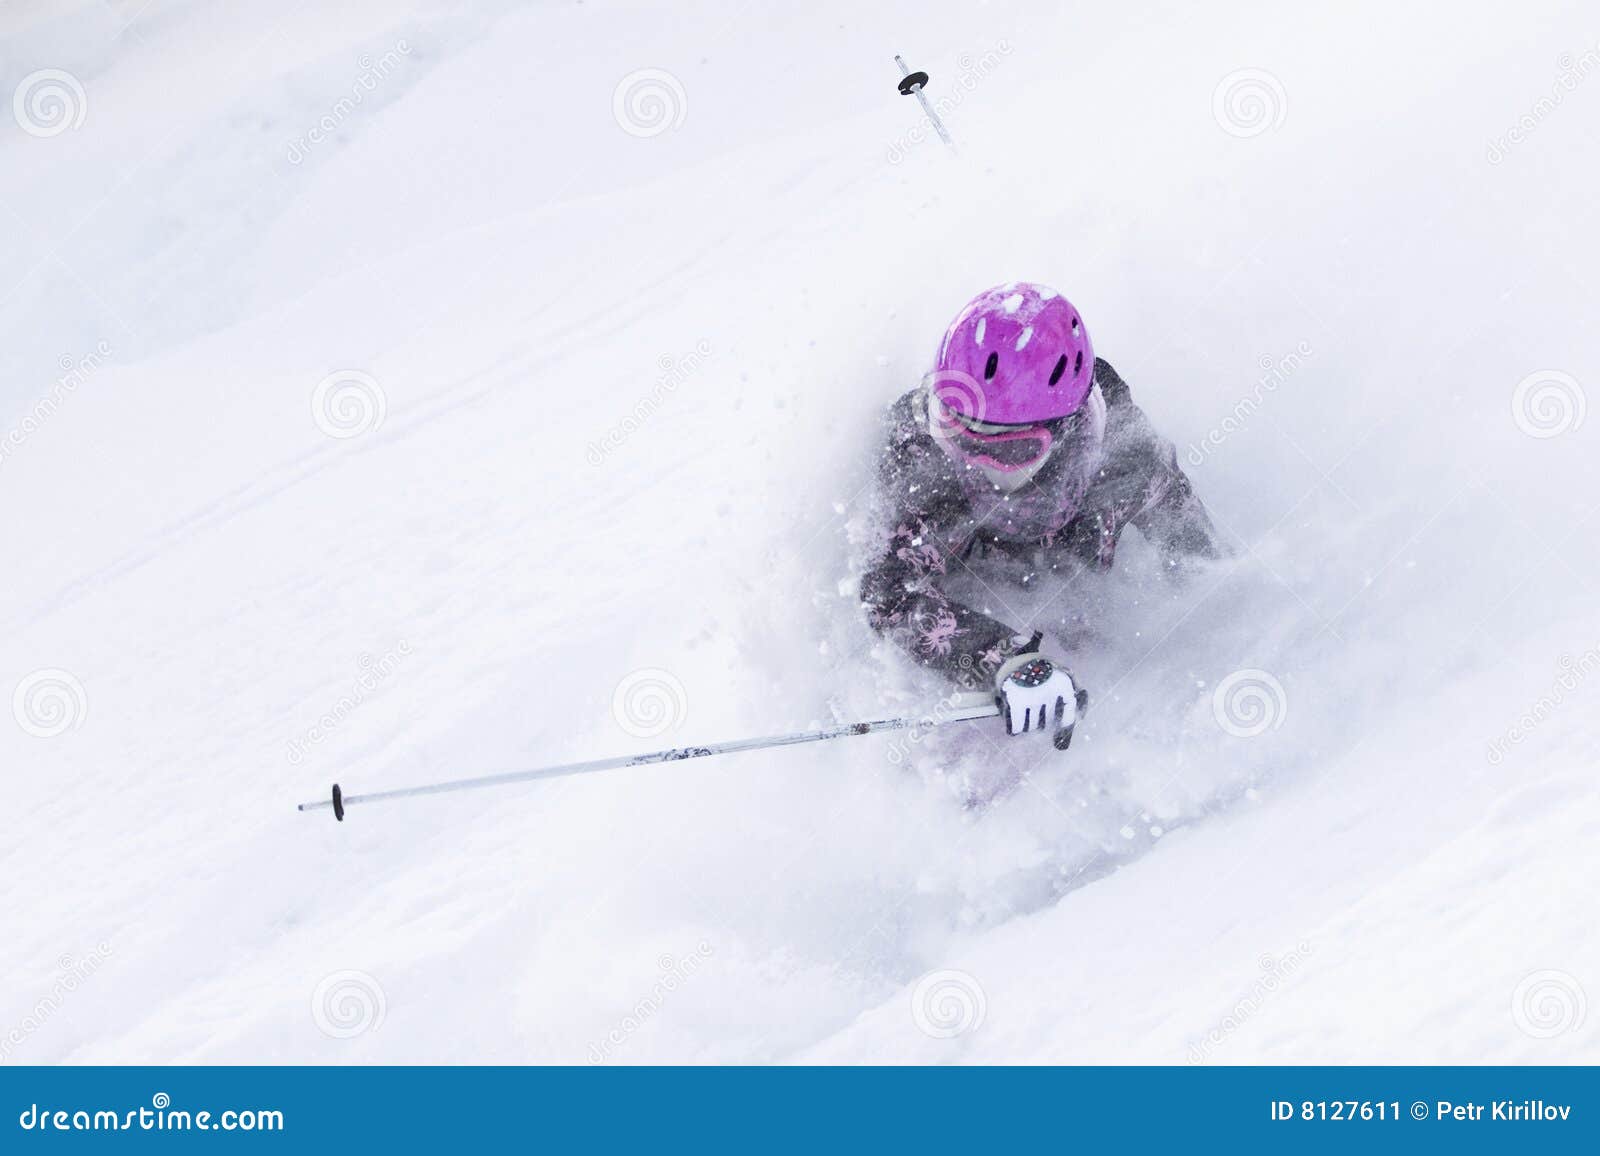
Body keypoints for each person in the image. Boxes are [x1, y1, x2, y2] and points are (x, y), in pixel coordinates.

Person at [861, 283, 1227, 748]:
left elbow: (1201, 564)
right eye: (956, 434)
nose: (973, 462)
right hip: (966, 603)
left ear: (1067, 432)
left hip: (1077, 604)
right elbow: (888, 592)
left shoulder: (1128, 462)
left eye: (1009, 450)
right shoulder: (924, 463)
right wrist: (1002, 659)